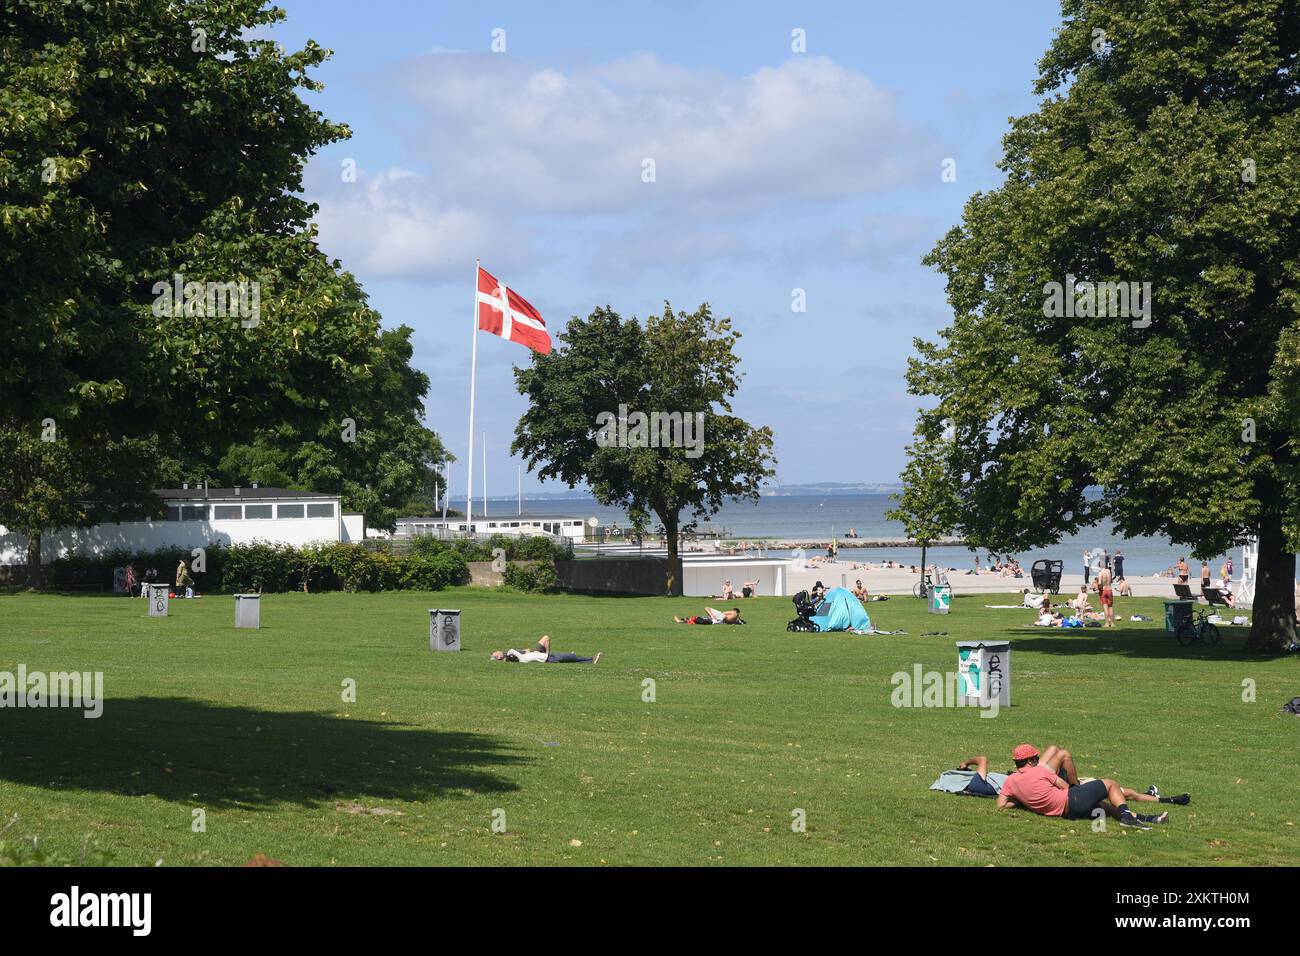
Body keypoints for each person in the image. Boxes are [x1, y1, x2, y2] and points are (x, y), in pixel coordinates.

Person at [996, 744, 1175, 829]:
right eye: (1035, 758)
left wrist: (1024, 801)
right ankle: (1128, 816)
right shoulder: (1040, 771)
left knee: (1105, 807)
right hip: (1070, 800)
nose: (1037, 760)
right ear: (1029, 761)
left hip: (1067, 814)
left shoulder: (1010, 782)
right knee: (1110, 784)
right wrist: (1076, 787)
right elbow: (1065, 787)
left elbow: (1001, 806)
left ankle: (1151, 819)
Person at [490, 634, 600, 664]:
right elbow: (511, 650)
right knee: (572, 657)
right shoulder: (517, 657)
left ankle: (588, 660)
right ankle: (591, 660)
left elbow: (513, 653)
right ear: (498, 657)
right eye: (496, 653)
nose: (498, 651)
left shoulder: (520, 658)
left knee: (571, 659)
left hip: (543, 656)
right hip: (548, 657)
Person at [674, 607, 743, 625]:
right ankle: (683, 620)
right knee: (699, 619)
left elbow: (724, 613)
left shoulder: (734, 612)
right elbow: (738, 620)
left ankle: (681, 621)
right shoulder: (735, 620)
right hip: (719, 620)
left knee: (706, 608)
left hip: (717, 619)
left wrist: (714, 616)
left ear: (735, 611)